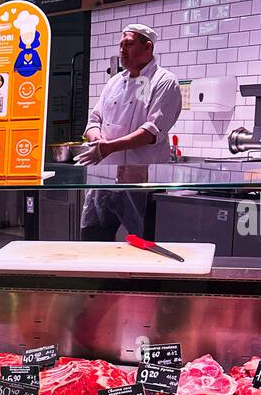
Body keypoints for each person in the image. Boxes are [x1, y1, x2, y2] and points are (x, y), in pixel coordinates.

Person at [75, 24, 182, 241]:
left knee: (145, 244)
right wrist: (97, 140)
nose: (122, 49)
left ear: (147, 48)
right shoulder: (114, 82)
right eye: (121, 44)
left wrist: (109, 147)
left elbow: (152, 131)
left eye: (129, 44)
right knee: (93, 239)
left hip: (142, 184)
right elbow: (94, 120)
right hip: (105, 180)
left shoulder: (164, 82)